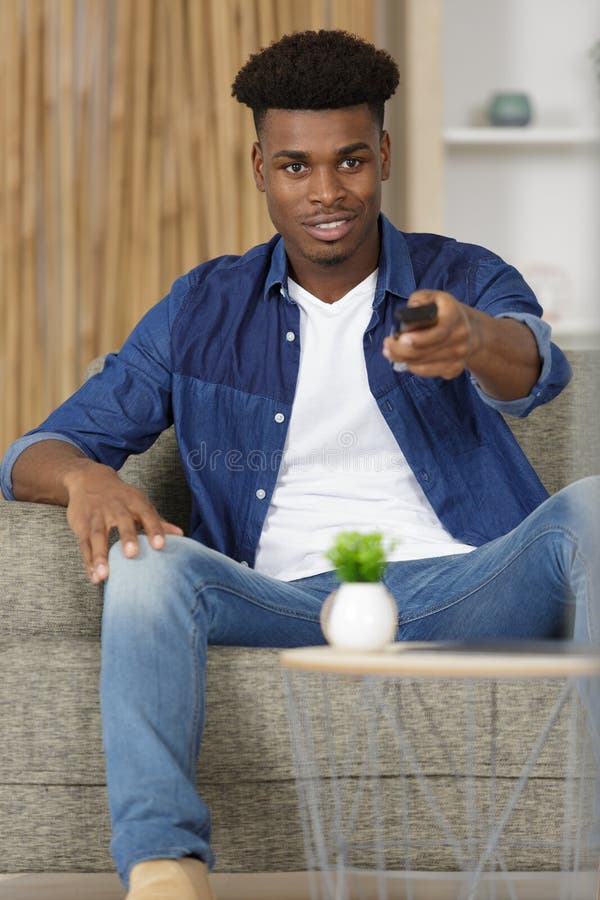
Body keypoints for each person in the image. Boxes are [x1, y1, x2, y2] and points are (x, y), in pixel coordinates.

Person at [1, 29, 598, 900]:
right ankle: (167, 873)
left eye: (351, 161)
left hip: (466, 582)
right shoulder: (201, 307)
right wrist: (88, 477)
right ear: (259, 168)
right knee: (144, 569)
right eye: (296, 167)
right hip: (282, 599)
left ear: (384, 154)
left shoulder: (459, 275)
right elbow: (31, 452)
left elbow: (536, 368)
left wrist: (474, 338)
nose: (327, 192)